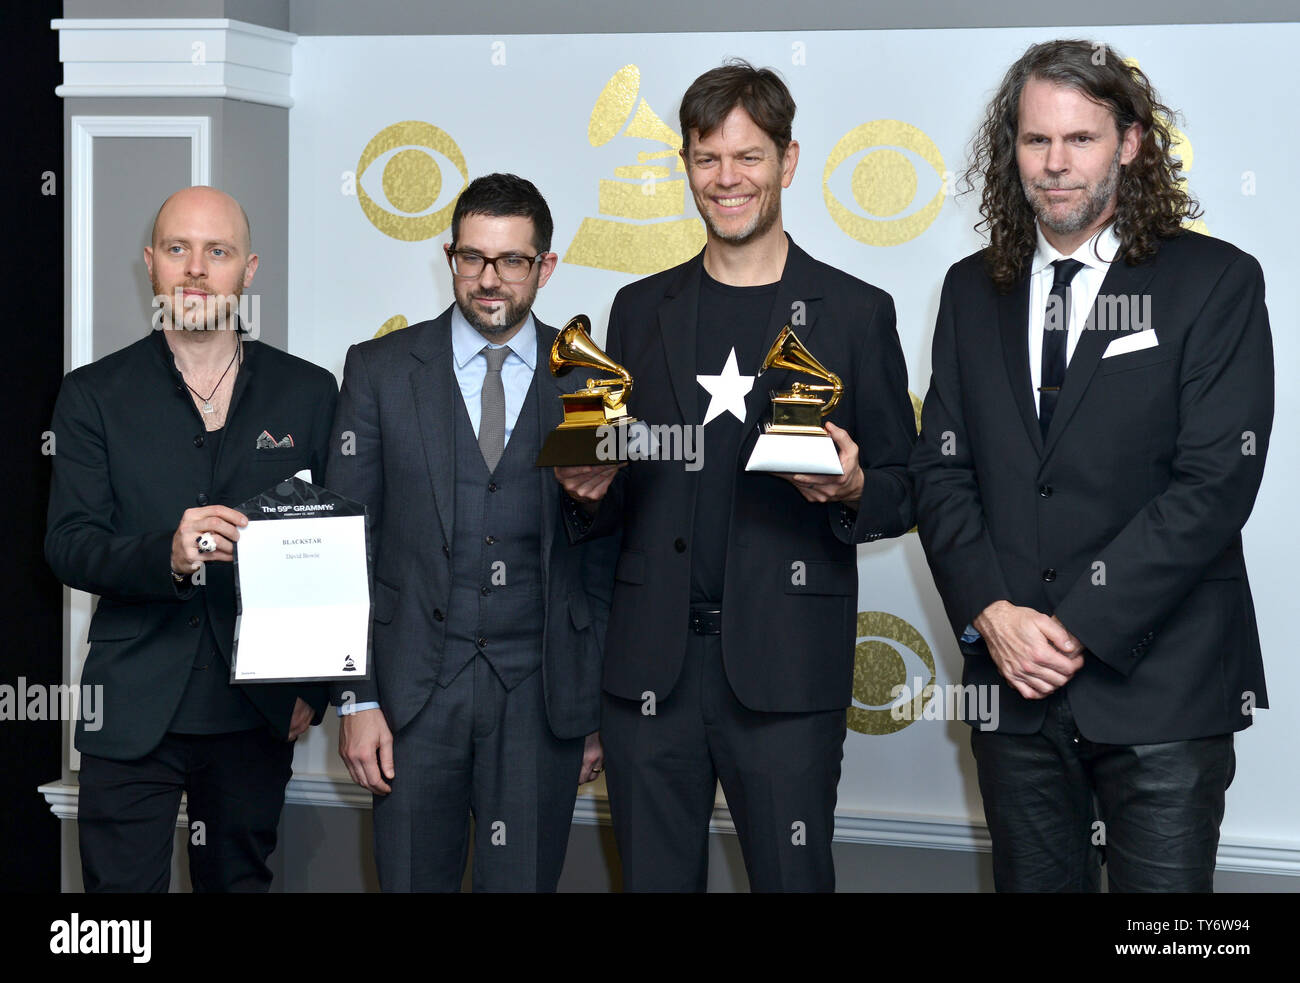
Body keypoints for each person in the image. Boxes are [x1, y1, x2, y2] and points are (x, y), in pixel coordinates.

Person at [909, 39, 1273, 892]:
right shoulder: (971, 291)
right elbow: (943, 469)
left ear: (1131, 144)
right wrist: (993, 612)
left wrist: (1074, 624)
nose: (1057, 164)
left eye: (1081, 140)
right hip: (1013, 692)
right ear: (1014, 153)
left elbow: (1216, 483)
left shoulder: (1214, 282)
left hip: (1164, 693)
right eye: (1037, 142)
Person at [556, 61, 916, 892]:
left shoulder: (856, 311)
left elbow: (909, 486)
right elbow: (619, 489)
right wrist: (586, 495)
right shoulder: (638, 309)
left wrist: (858, 487)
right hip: (649, 675)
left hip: (788, 675)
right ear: (685, 166)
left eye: (748, 157)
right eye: (707, 158)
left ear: (788, 162)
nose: (727, 179)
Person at [45, 186, 338, 892]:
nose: (197, 269)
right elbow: (68, 544)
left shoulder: (309, 391)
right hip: (129, 707)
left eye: (218, 251)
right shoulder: (92, 394)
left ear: (249, 268)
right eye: (178, 249)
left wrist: (318, 686)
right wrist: (166, 555)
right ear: (151, 264)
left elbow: (335, 549)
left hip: (255, 708)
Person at [328, 173, 614, 892]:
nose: (490, 280)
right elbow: (344, 546)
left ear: (545, 267)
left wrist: (593, 711)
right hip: (409, 699)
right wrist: (356, 699)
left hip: (539, 700)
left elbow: (610, 559)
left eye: (512, 261)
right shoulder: (379, 370)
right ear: (449, 255)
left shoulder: (590, 380)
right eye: (472, 257)